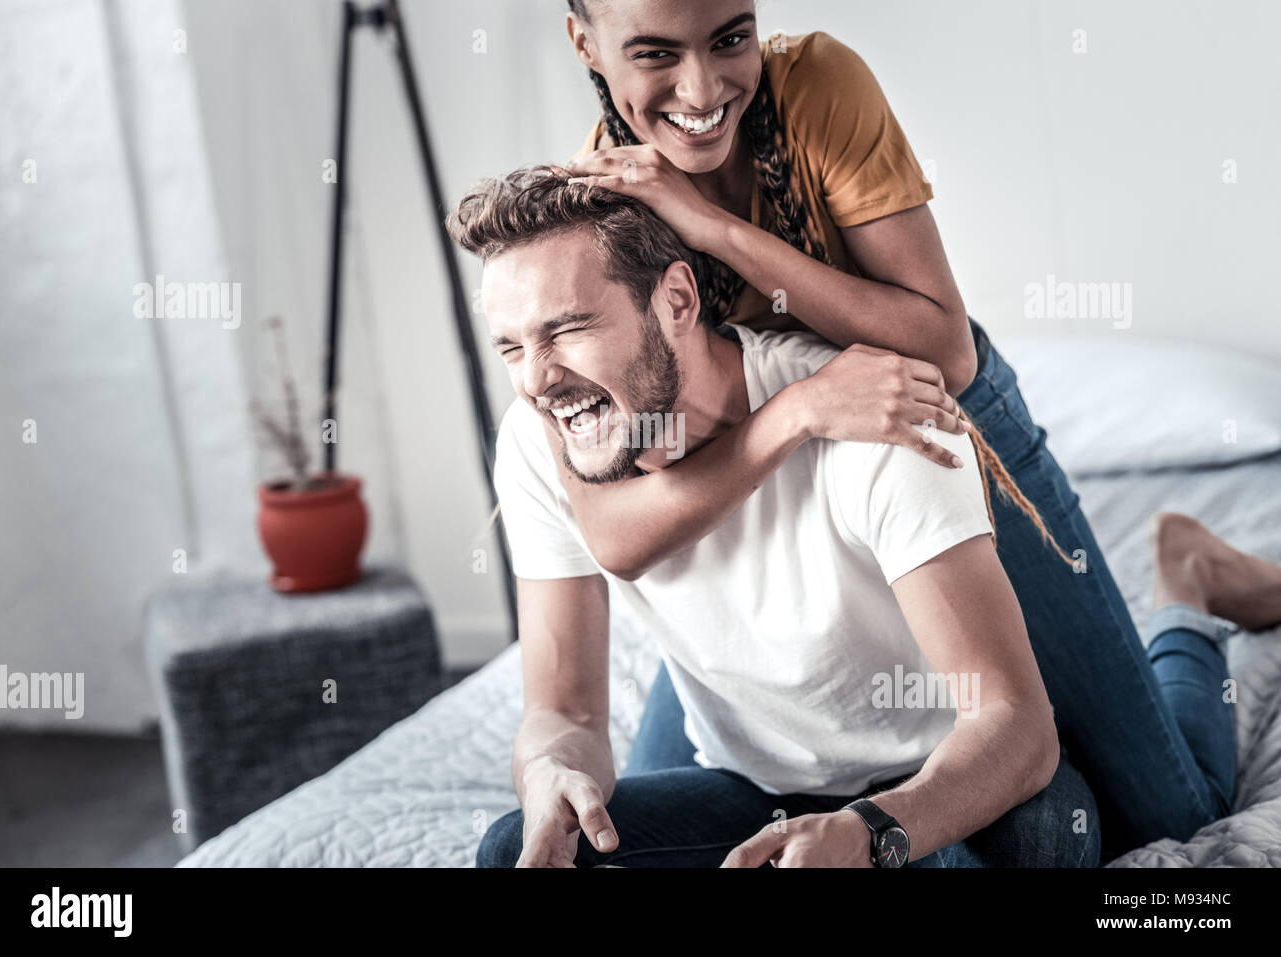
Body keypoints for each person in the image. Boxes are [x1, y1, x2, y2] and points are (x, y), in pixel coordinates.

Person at [548, 0, 1240, 859]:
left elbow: (942, 349)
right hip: (782, 494)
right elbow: (610, 525)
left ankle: (1189, 585)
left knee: (1170, 814)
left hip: (935, 429)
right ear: (584, 41)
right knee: (631, 843)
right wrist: (795, 414)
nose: (703, 86)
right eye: (655, 53)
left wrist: (713, 228)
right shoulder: (598, 208)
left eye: (731, 38)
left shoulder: (816, 88)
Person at [451, 165, 1103, 867]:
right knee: (514, 847)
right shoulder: (541, 441)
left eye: (567, 330)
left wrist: (867, 832)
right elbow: (566, 712)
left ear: (675, 300)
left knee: (1043, 839)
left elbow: (1016, 726)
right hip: (757, 790)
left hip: (931, 779)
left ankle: (1188, 608)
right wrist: (550, 767)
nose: (536, 382)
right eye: (513, 348)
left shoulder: (878, 416)